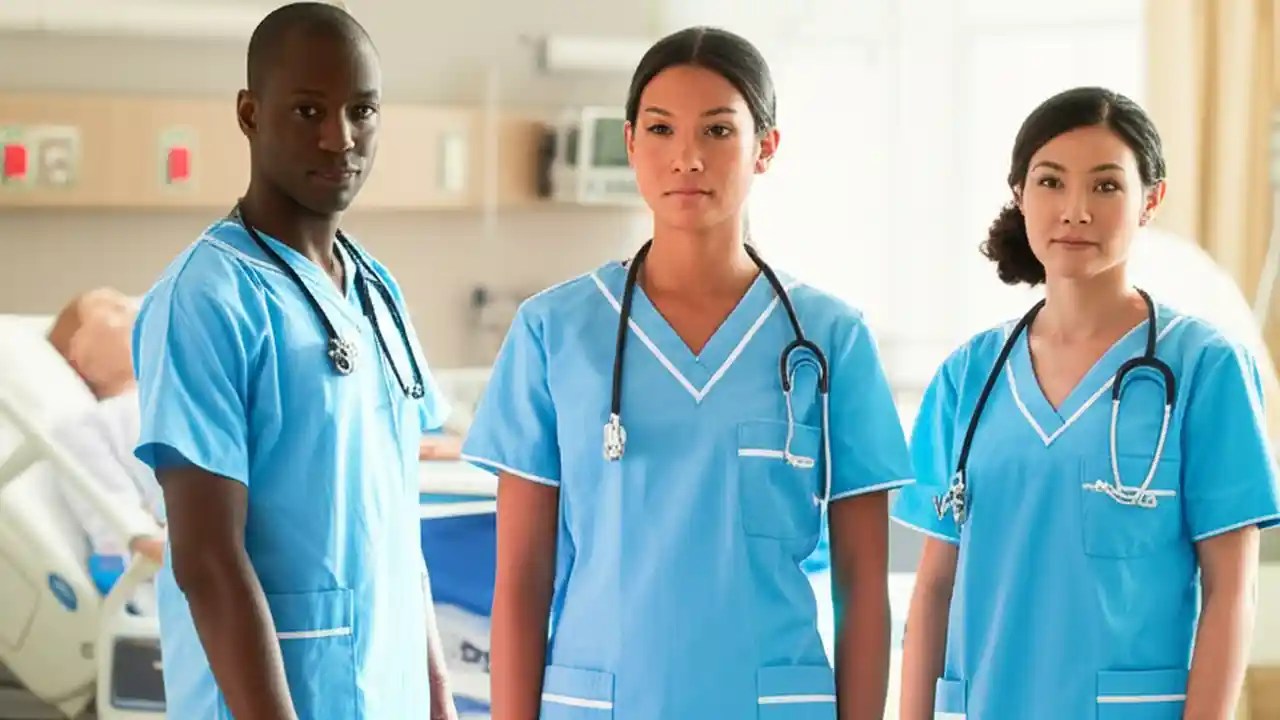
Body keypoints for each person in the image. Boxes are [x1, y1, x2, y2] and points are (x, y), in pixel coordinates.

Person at [462, 26, 912, 720]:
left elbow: (861, 586)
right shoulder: (554, 332)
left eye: (718, 131)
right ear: (631, 142)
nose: (687, 158)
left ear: (766, 148)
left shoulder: (830, 340)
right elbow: (521, 581)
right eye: (661, 129)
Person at [891, 86, 1280, 720]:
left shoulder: (1207, 369)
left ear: (1150, 200)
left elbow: (1231, 590)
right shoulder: (969, 375)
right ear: (1020, 194)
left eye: (1105, 186)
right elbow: (935, 588)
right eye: (1050, 182)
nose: (1075, 211)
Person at [129, 4, 456, 719]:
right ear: (250, 114)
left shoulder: (376, 290)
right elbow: (207, 562)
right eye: (309, 110)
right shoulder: (206, 300)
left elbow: (398, 531)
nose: (340, 138)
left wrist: (437, 698)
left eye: (361, 111)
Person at [46, 287, 165, 588]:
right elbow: (114, 528)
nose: (132, 307)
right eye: (111, 307)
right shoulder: (88, 427)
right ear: (79, 356)